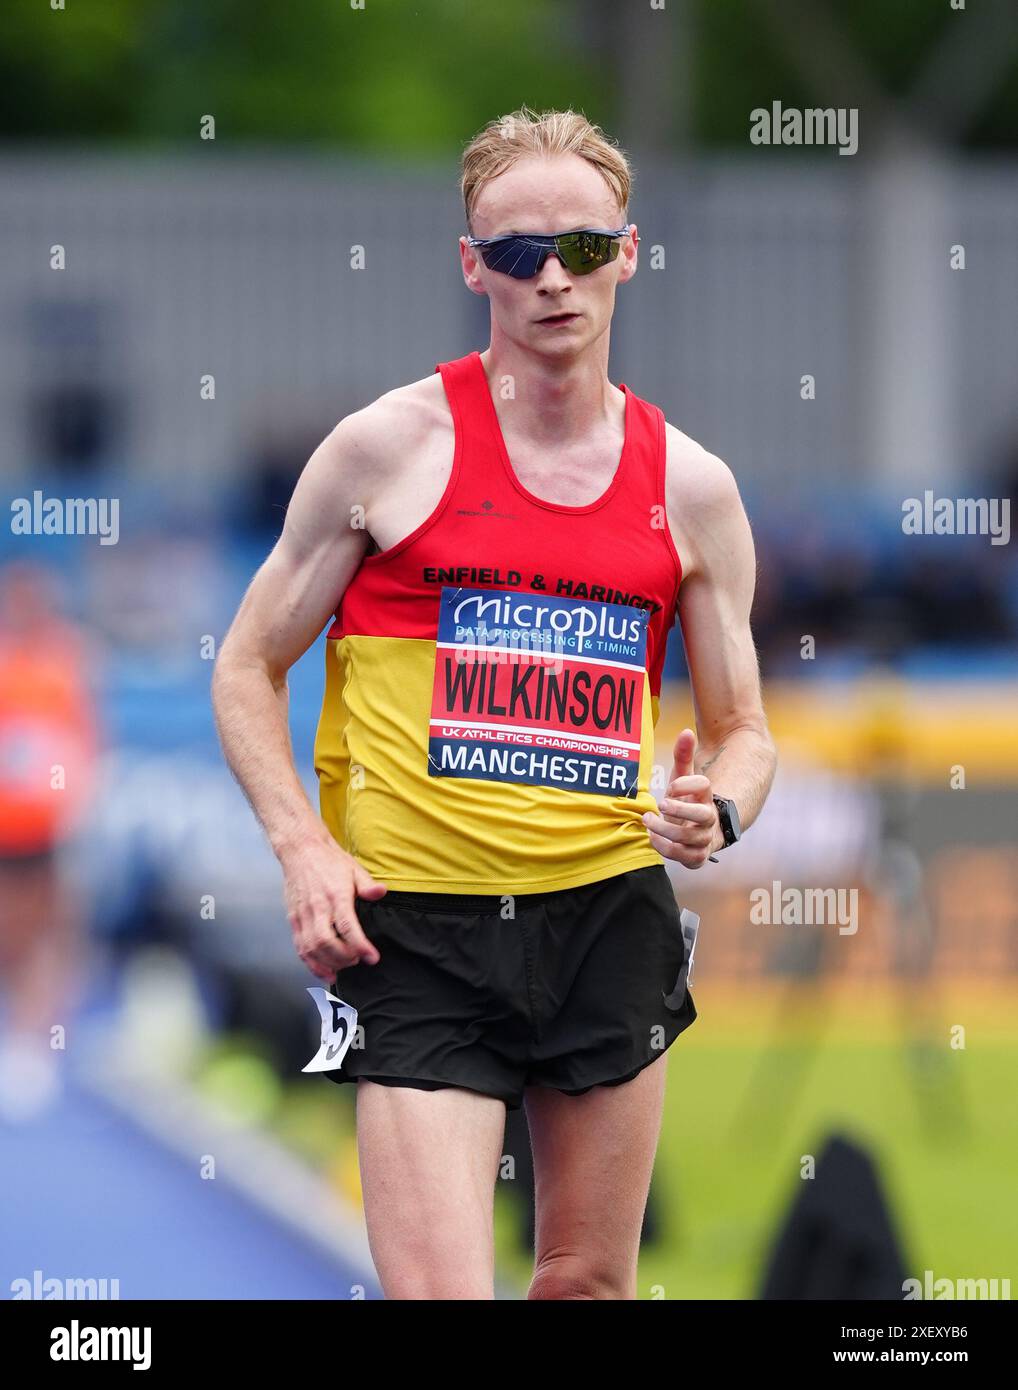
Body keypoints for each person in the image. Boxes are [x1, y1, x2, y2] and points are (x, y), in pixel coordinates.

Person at [213, 106, 776, 1300]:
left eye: (579, 248)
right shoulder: (385, 451)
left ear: (627, 251)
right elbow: (245, 665)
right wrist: (302, 849)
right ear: (473, 265)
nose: (551, 279)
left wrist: (715, 812)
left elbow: (744, 736)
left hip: (602, 915)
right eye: (517, 252)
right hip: (415, 928)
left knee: (587, 1286)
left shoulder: (692, 488)